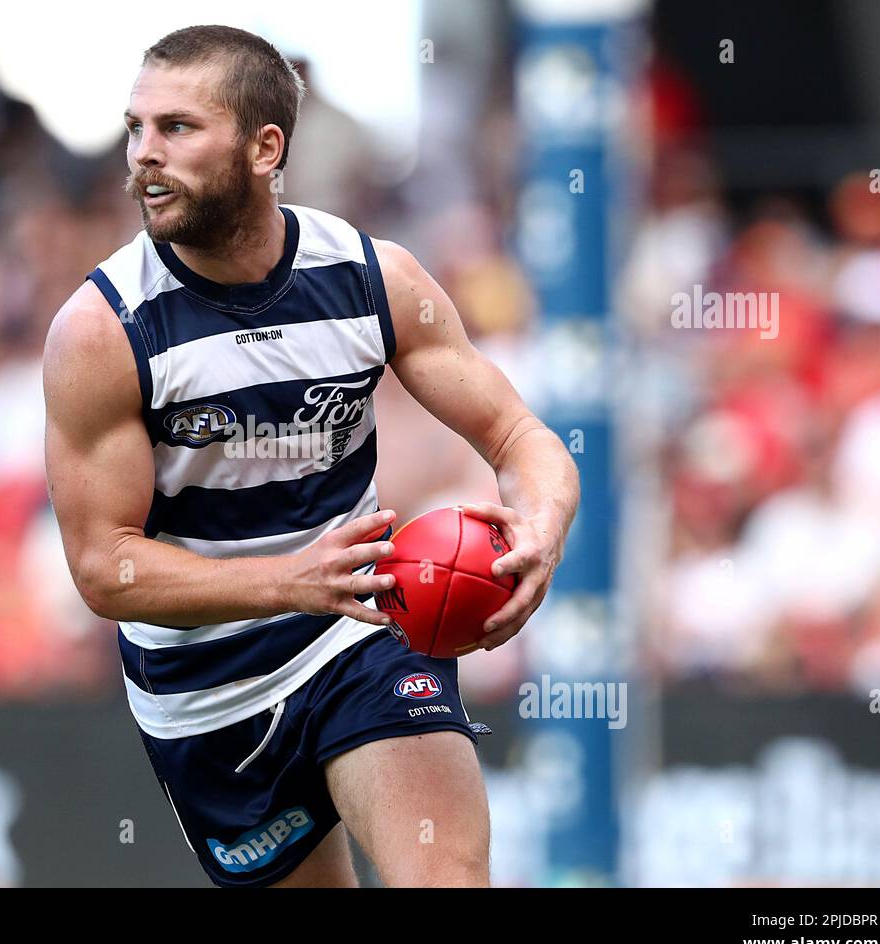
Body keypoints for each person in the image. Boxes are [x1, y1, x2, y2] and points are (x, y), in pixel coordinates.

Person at [42, 25, 579, 888]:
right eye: (136, 128)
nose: (144, 154)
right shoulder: (102, 331)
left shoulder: (374, 278)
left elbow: (522, 438)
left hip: (361, 630)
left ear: (266, 148)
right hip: (205, 688)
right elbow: (104, 570)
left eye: (178, 128)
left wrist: (541, 533)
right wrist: (288, 580)